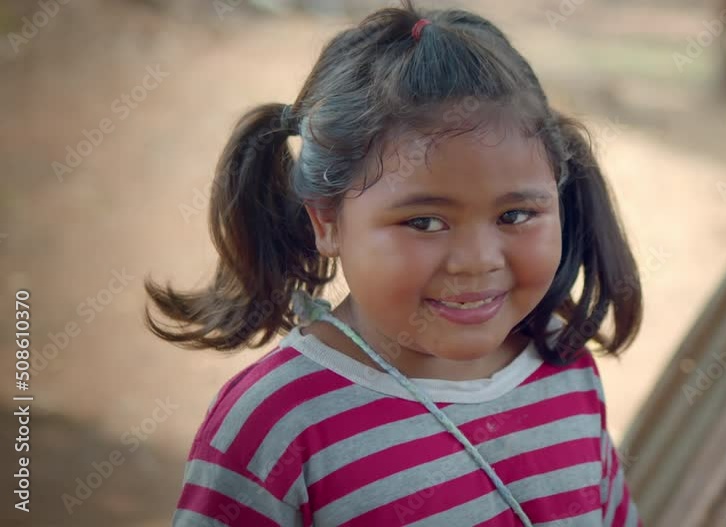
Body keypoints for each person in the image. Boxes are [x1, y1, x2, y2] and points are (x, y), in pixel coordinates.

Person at [146, 1, 643, 525]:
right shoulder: (278, 423)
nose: (476, 261)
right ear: (327, 222)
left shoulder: (565, 367)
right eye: (425, 222)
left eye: (516, 214)